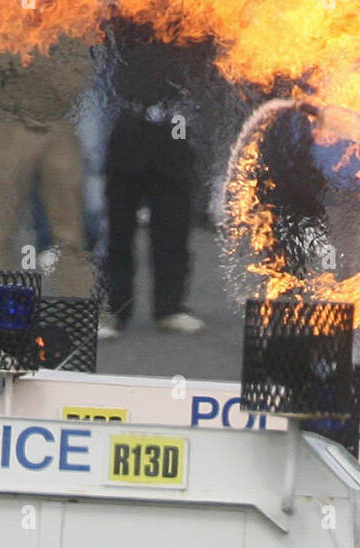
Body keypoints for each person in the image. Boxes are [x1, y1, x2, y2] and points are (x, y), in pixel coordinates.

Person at [0, 25, 96, 316]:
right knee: (2, 227)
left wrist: (30, 69)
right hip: (10, 127)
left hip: (58, 126)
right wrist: (43, 72)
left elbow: (79, 77)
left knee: (70, 230)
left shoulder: (68, 20)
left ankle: (78, 309)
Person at [99, 16, 212, 338]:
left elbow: (210, 70)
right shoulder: (128, 17)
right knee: (119, 229)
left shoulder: (194, 19)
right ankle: (116, 309)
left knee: (173, 227)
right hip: (130, 127)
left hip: (175, 130)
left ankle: (171, 307)